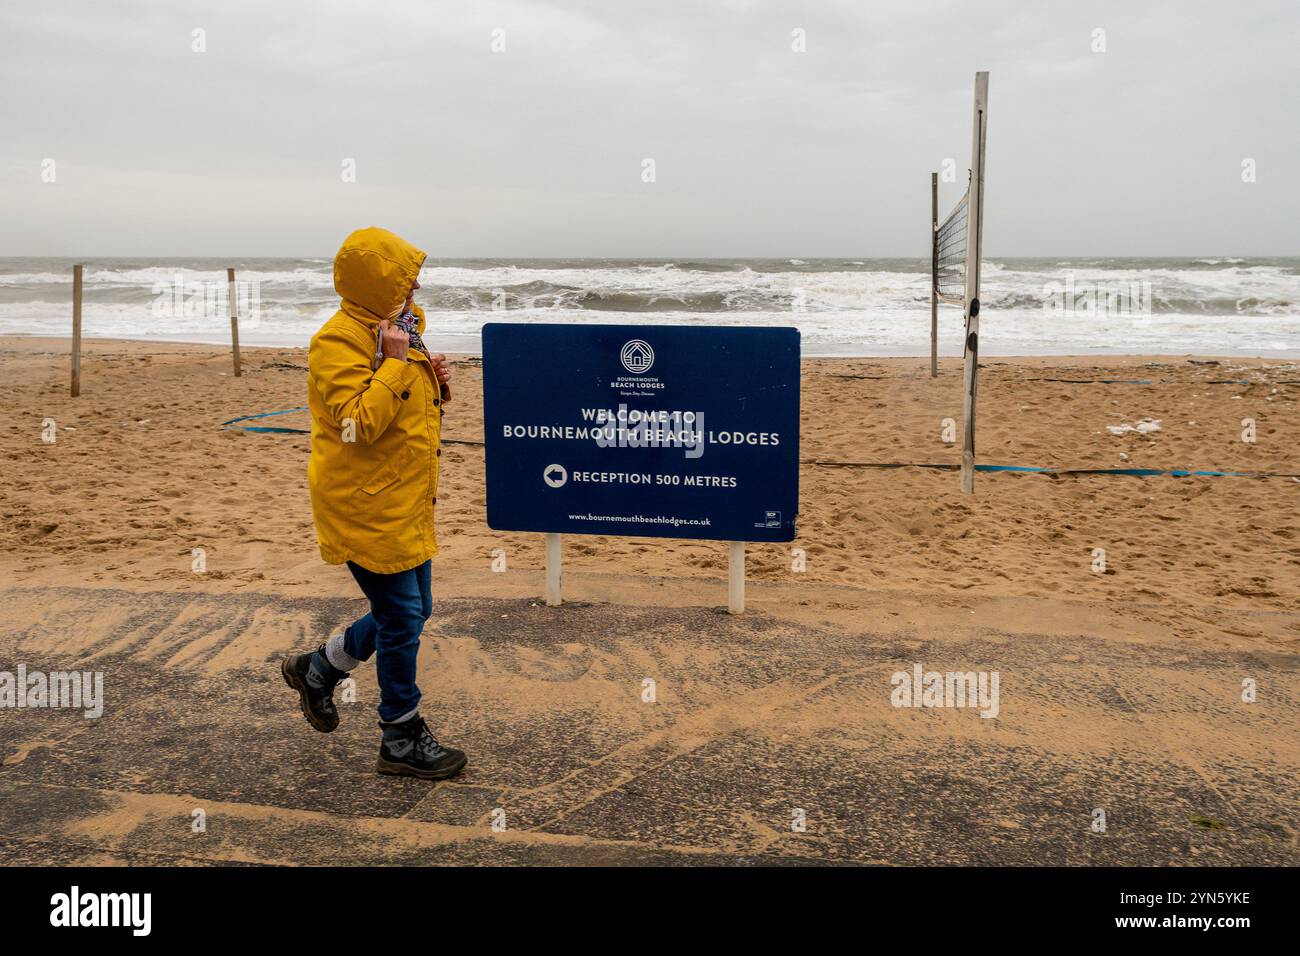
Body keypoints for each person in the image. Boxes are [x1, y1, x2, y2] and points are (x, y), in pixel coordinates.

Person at [281, 226, 466, 780]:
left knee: (413, 610)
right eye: (404, 279)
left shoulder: (401, 328)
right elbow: (357, 425)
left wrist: (431, 379)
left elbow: (410, 410)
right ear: (374, 284)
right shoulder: (337, 341)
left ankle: (319, 668)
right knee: (403, 616)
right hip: (363, 504)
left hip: (404, 498)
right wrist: (396, 364)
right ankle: (401, 735)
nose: (415, 287)